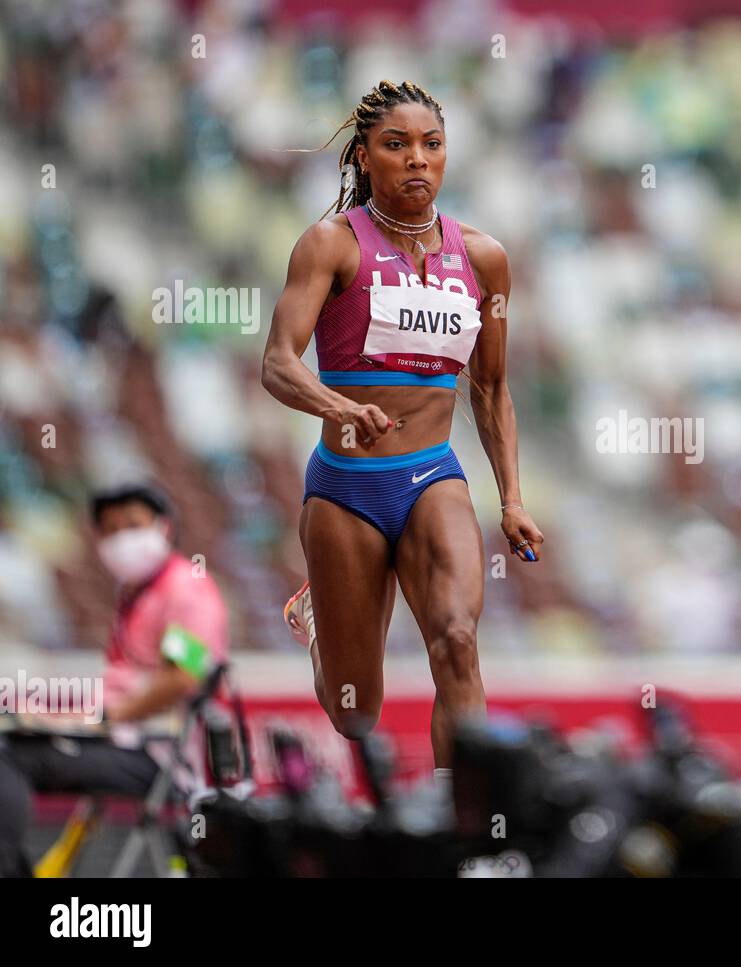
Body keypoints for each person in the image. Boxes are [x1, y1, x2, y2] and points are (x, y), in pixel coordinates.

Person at [261, 80, 543, 797]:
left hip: (432, 477)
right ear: (365, 155)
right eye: (397, 145)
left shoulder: (483, 259)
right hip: (347, 489)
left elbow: (490, 386)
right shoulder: (331, 245)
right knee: (356, 711)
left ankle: (466, 820)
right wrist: (340, 406)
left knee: (456, 639)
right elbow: (278, 364)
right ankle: (322, 622)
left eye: (432, 145)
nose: (417, 160)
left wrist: (511, 497)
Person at [0, 483, 229, 876]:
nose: (121, 537)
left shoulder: (185, 589)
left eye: (133, 525)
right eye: (110, 530)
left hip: (162, 756)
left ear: (164, 528)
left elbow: (182, 679)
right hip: (122, 741)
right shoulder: (135, 595)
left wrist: (104, 719)